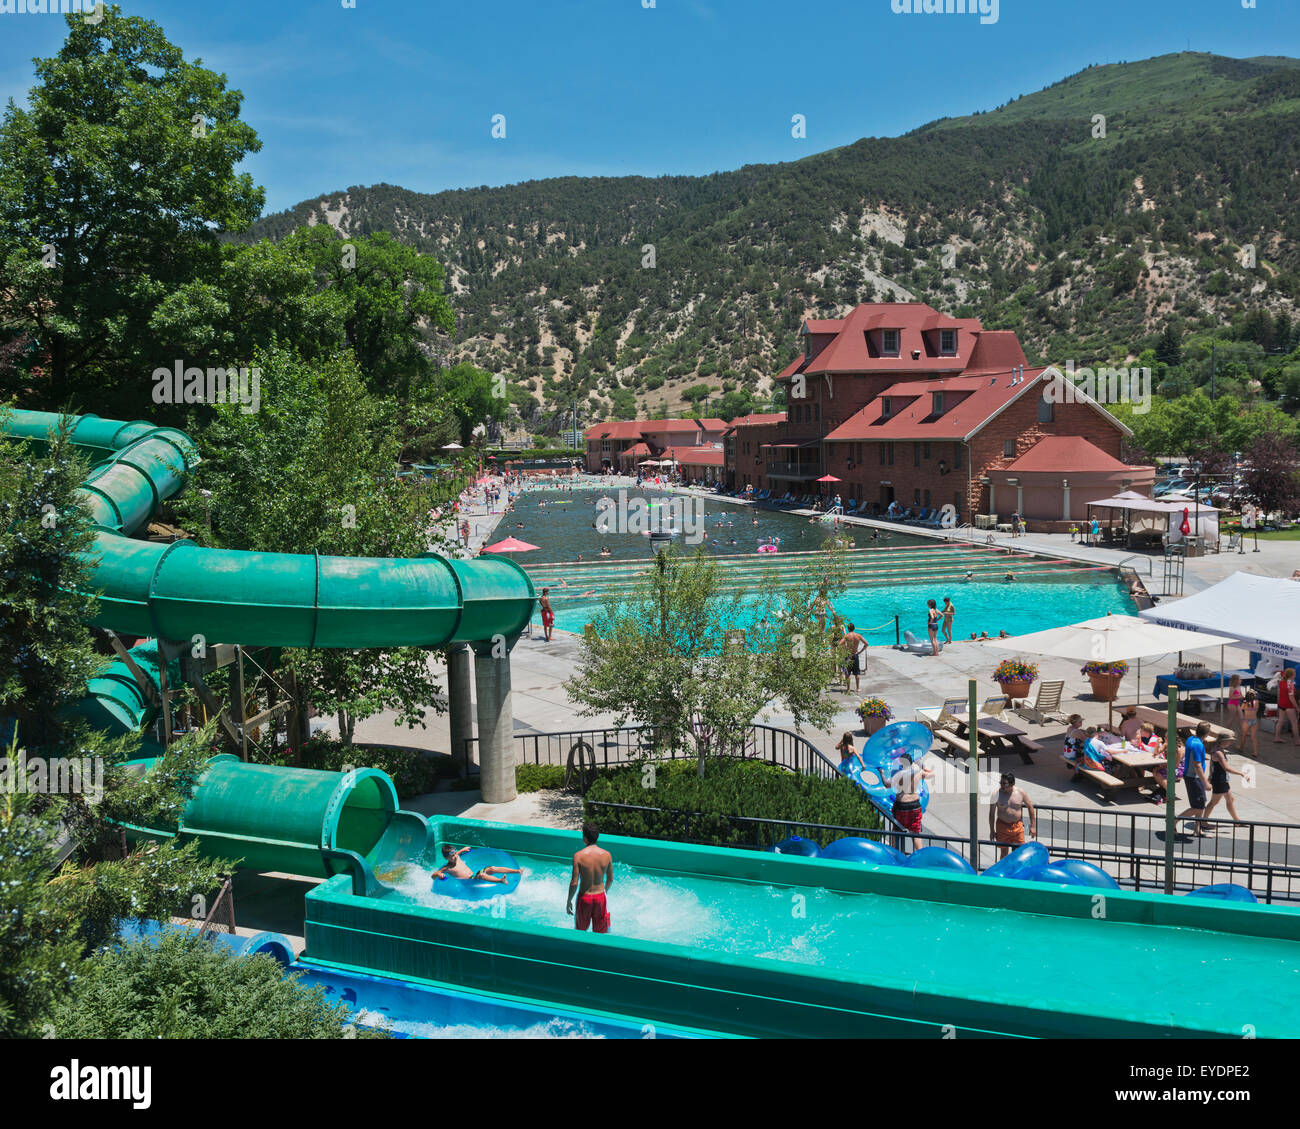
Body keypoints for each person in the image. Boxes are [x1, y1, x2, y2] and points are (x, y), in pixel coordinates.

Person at [567, 823, 613, 933]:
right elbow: (610, 879)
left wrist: (569, 901)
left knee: (580, 932)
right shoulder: (607, 855)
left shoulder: (578, 856)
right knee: (601, 933)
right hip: (600, 897)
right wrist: (604, 891)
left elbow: (574, 883)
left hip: (585, 898)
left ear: (584, 838)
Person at [887, 753, 934, 853]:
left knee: (896, 831)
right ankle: (920, 857)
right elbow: (932, 774)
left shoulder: (899, 774)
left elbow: (887, 784)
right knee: (915, 833)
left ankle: (893, 854)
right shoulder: (919, 772)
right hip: (915, 805)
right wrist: (923, 767)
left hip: (901, 806)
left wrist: (882, 773)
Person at [990, 773, 1036, 858]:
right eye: (1001, 783)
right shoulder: (996, 794)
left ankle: (1017, 870)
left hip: (1017, 826)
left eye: (1004, 783)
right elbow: (991, 814)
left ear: (1012, 784)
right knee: (1004, 853)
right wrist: (992, 831)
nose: (1002, 785)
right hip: (1002, 826)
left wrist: (1033, 826)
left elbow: (1030, 807)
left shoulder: (1020, 793)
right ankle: (1004, 871)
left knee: (1019, 852)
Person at [1178, 722, 1212, 836]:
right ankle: (1173, 821)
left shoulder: (1190, 739)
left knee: (1200, 805)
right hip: (1194, 778)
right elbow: (1197, 765)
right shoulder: (1198, 745)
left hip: (1190, 776)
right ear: (1207, 733)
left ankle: (1197, 830)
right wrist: (1206, 782)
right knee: (1197, 807)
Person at [432, 845, 522, 885]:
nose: (455, 857)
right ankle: (500, 881)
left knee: (491, 868)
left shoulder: (457, 856)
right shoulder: (447, 868)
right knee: (482, 875)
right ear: (446, 858)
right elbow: (433, 876)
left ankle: (517, 871)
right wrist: (437, 874)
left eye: (455, 854)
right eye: (452, 856)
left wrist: (462, 850)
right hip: (469, 881)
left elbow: (457, 854)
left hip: (474, 875)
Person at [1203, 741, 1246, 824]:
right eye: (1229, 741)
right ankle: (1203, 822)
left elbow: (1211, 764)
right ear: (1223, 741)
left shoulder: (1216, 749)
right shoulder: (1218, 753)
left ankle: (1237, 821)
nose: (1230, 743)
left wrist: (1210, 775)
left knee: (1230, 799)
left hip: (1221, 780)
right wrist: (1241, 773)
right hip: (1220, 780)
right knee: (1214, 802)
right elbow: (1227, 768)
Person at [1274, 668, 1298, 747]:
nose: (1295, 675)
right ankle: (1297, 740)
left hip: (1281, 704)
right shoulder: (1290, 684)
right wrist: (1297, 707)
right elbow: (1291, 698)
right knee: (1294, 723)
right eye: (1294, 674)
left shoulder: (1281, 682)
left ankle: (1277, 737)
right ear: (1291, 675)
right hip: (1289, 705)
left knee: (1280, 721)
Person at [840, 623, 867, 692]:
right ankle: (857, 688)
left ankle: (848, 689)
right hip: (855, 655)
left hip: (848, 655)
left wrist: (845, 647)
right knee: (856, 673)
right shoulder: (858, 635)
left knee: (847, 673)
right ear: (854, 628)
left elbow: (840, 644)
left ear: (848, 629)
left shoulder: (847, 636)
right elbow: (866, 644)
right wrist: (860, 652)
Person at [1241, 690, 1260, 758]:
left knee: (1244, 735)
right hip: (1254, 720)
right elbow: (1257, 710)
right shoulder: (1257, 702)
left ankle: (1241, 747)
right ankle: (1255, 752)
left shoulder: (1245, 703)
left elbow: (1241, 708)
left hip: (1247, 720)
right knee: (1254, 737)